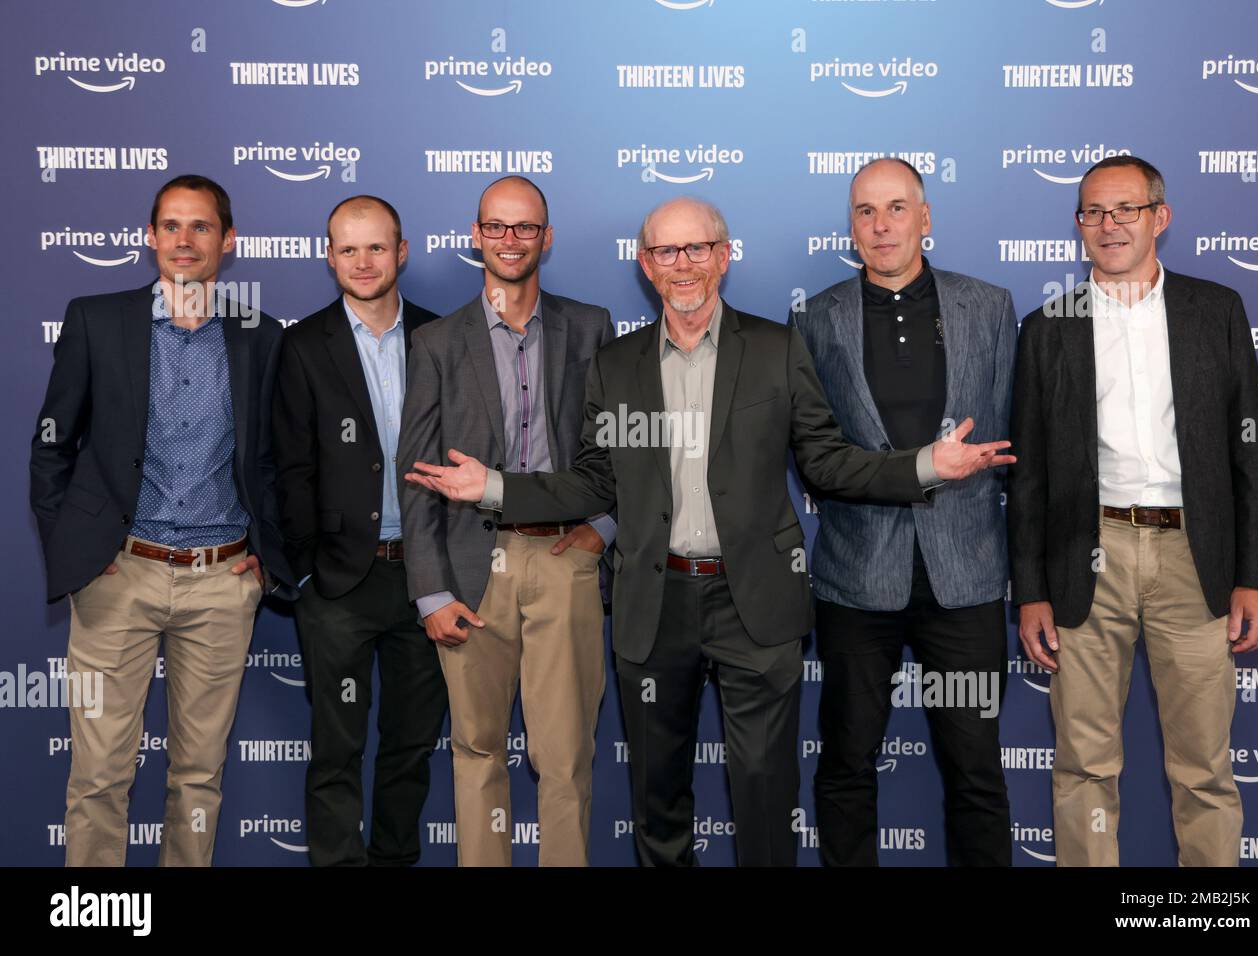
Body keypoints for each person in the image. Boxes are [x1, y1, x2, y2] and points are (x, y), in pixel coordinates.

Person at [410, 195, 1015, 866]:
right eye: (666, 252)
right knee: (658, 801)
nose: (683, 265)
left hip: (754, 601)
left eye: (697, 248)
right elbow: (592, 483)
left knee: (763, 793)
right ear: (645, 265)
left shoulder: (777, 349)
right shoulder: (618, 365)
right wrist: (494, 488)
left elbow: (827, 461)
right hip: (655, 603)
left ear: (724, 257)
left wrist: (928, 464)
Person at [1009, 155, 1258, 867]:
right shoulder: (1046, 326)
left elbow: (1249, 453)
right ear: (1078, 226)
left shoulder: (1215, 310)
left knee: (1204, 768)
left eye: (1126, 209)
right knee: (1084, 765)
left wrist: (1254, 576)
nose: (1109, 225)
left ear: (1161, 216)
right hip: (1083, 559)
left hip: (1196, 559)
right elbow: (1028, 475)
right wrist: (1031, 591)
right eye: (1093, 212)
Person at [30, 174, 294, 866]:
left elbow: (278, 462)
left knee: (199, 779)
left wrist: (267, 555)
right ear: (150, 238)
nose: (185, 240)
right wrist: (80, 547)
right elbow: (52, 443)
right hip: (119, 576)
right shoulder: (96, 319)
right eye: (171, 226)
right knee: (98, 778)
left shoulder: (259, 335)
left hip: (221, 582)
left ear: (227, 242)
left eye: (201, 227)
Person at [793, 158, 1015, 866]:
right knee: (847, 765)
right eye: (865, 211)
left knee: (976, 772)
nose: (881, 225)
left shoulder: (990, 306)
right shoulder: (814, 320)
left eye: (896, 208)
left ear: (926, 218)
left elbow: (1017, 436)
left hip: (968, 578)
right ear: (850, 227)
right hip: (857, 580)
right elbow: (817, 457)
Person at [397, 176, 615, 866]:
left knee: (565, 755)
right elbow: (417, 472)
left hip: (563, 561)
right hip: (470, 568)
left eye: (525, 228)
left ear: (545, 238)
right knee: (478, 749)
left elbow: (615, 446)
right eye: (497, 227)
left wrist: (601, 533)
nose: (511, 240)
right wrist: (430, 590)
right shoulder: (435, 342)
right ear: (476, 236)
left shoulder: (590, 326)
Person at [272, 195, 448, 866]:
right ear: (329, 257)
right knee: (336, 749)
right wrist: (309, 571)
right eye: (348, 248)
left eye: (376, 247)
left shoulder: (440, 335)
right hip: (340, 581)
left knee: (410, 747)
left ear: (401, 252)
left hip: (426, 578)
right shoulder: (302, 345)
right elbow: (290, 468)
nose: (363, 261)